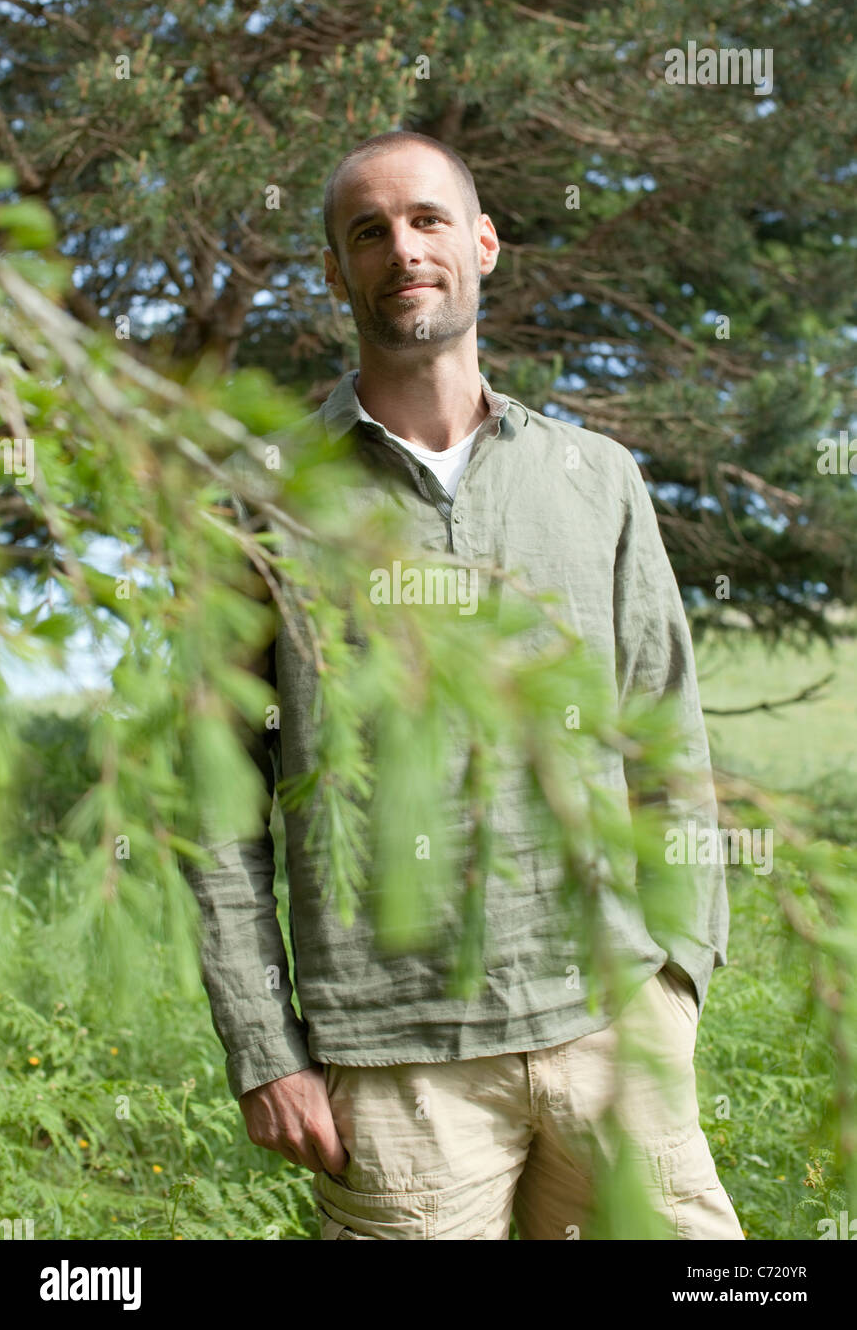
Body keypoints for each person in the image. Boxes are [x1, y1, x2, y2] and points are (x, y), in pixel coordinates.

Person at [183, 130, 744, 1241]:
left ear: (482, 243)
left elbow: (666, 733)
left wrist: (680, 975)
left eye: (429, 219)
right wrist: (263, 1045)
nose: (405, 250)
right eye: (369, 232)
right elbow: (210, 798)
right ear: (336, 272)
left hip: (614, 1020)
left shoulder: (596, 479)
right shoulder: (258, 505)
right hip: (396, 1067)